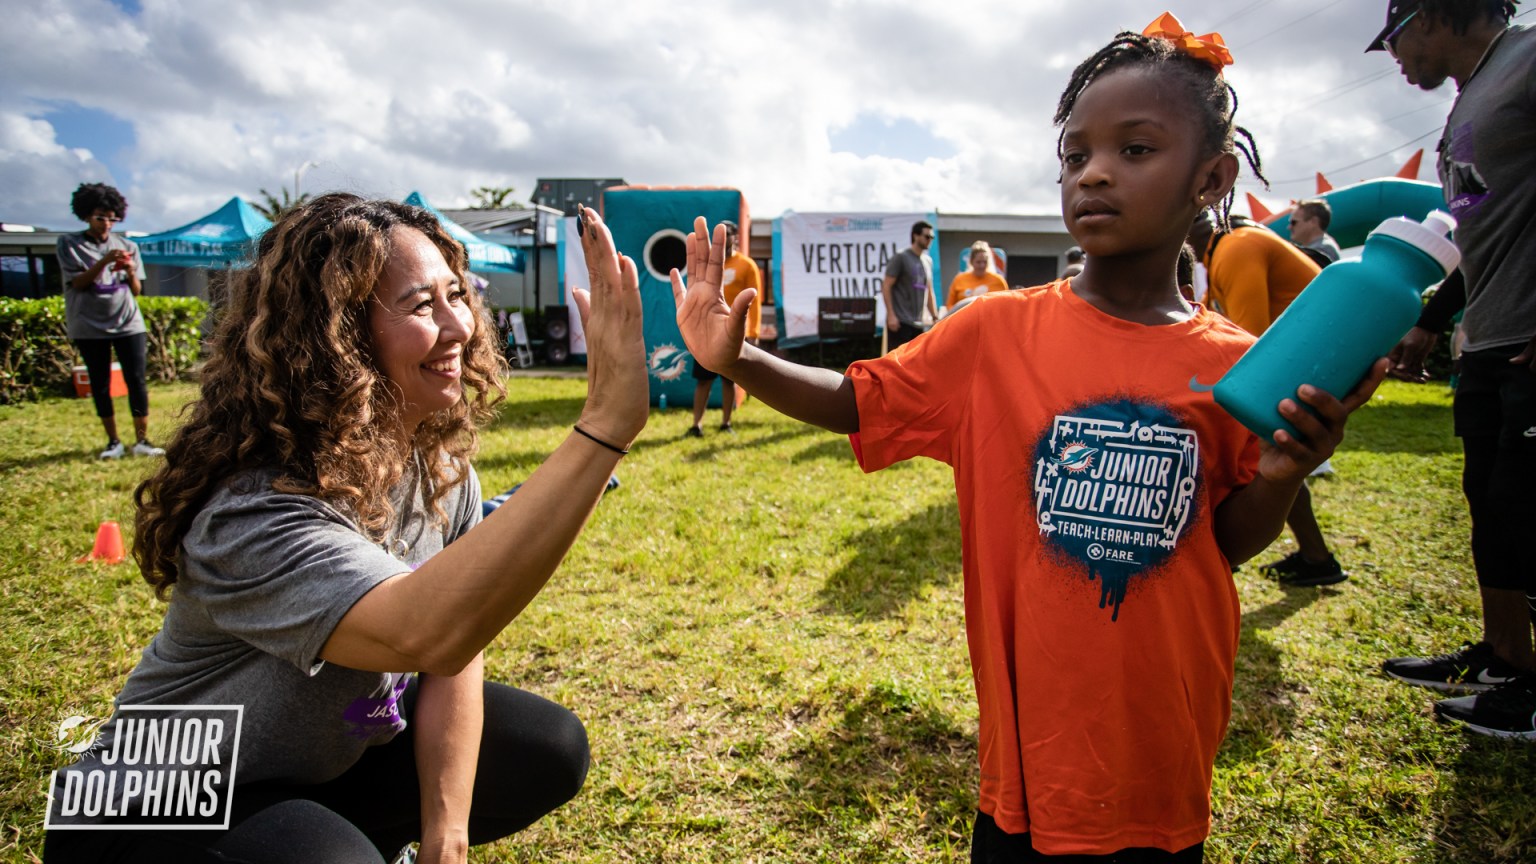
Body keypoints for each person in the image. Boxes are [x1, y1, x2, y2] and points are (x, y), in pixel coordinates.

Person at [671, 14, 1384, 860]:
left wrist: (1280, 478)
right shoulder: (994, 334)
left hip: (1165, 745)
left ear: (1211, 177)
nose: (1095, 175)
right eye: (1075, 157)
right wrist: (740, 359)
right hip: (1031, 770)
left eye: (1137, 150)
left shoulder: (1236, 368)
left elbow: (1221, 546)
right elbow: (855, 401)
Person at [42, 195, 649, 863]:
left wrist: (447, 836)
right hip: (152, 802)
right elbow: (428, 627)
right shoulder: (253, 506)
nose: (460, 326)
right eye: (422, 306)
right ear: (339, 336)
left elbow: (459, 639)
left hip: (319, 766)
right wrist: (603, 427)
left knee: (547, 748)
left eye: (459, 295)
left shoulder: (437, 465)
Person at [1373, 0, 1536, 739]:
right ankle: (1506, 660)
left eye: (1396, 39)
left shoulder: (1528, 59)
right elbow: (1483, 231)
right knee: (1492, 504)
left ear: (1432, 14)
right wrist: (1431, 322)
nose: (1395, 58)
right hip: (1491, 337)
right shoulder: (1470, 98)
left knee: (1528, 507)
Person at [1188, 203, 1346, 588]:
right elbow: (1207, 317)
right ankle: (1316, 557)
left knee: (1268, 452)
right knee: (1276, 455)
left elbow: (1244, 338)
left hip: (1308, 360)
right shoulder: (1228, 248)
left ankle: (1312, 557)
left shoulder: (1237, 247)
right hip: (1302, 355)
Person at [56, 183, 165, 460]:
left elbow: (137, 290)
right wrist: (104, 261)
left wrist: (129, 271)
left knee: (137, 380)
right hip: (89, 325)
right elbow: (78, 283)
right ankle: (113, 442)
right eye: (100, 217)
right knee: (100, 382)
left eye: (112, 218)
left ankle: (142, 440)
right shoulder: (69, 244)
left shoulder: (128, 246)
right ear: (85, 216)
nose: (107, 223)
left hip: (128, 322)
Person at [687, 220, 761, 436]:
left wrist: (753, 333)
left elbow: (755, 301)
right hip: (707, 331)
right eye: (719, 233)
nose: (723, 237)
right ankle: (696, 425)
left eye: (727, 233)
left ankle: (725, 423)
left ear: (735, 237)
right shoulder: (709, 264)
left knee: (729, 381)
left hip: (735, 332)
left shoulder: (746, 265)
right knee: (703, 380)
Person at [881, 220, 938, 351]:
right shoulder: (901, 257)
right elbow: (886, 285)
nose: (930, 240)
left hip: (919, 323)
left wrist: (935, 316)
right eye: (927, 236)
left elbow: (929, 291)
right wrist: (891, 315)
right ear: (915, 236)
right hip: (901, 321)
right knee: (896, 362)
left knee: (915, 363)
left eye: (932, 237)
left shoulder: (928, 261)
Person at [946, 241, 1009, 308]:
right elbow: (950, 306)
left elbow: (1006, 304)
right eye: (978, 262)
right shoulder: (959, 279)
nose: (982, 266)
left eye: (985, 262)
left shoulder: (999, 280)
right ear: (971, 262)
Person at [1287, 198, 1342, 264]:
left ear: (1313, 221)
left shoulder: (1322, 249)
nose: (1289, 227)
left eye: (1294, 222)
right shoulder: (1323, 247)